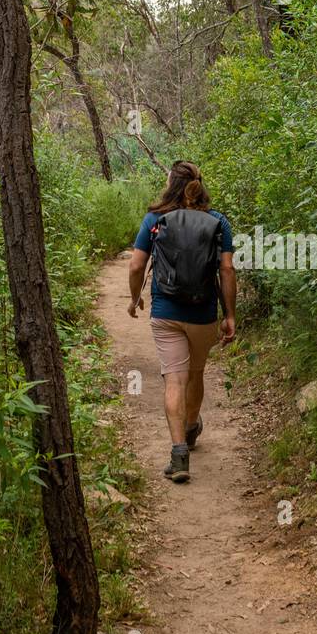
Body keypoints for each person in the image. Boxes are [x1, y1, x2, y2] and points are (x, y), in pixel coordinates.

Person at [128, 161, 236, 483]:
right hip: (203, 314)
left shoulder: (154, 219)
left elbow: (136, 266)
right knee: (197, 373)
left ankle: (179, 456)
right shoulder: (218, 221)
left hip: (166, 313)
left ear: (170, 184)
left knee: (175, 379)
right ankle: (191, 428)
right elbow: (226, 271)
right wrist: (230, 314)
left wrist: (134, 299)